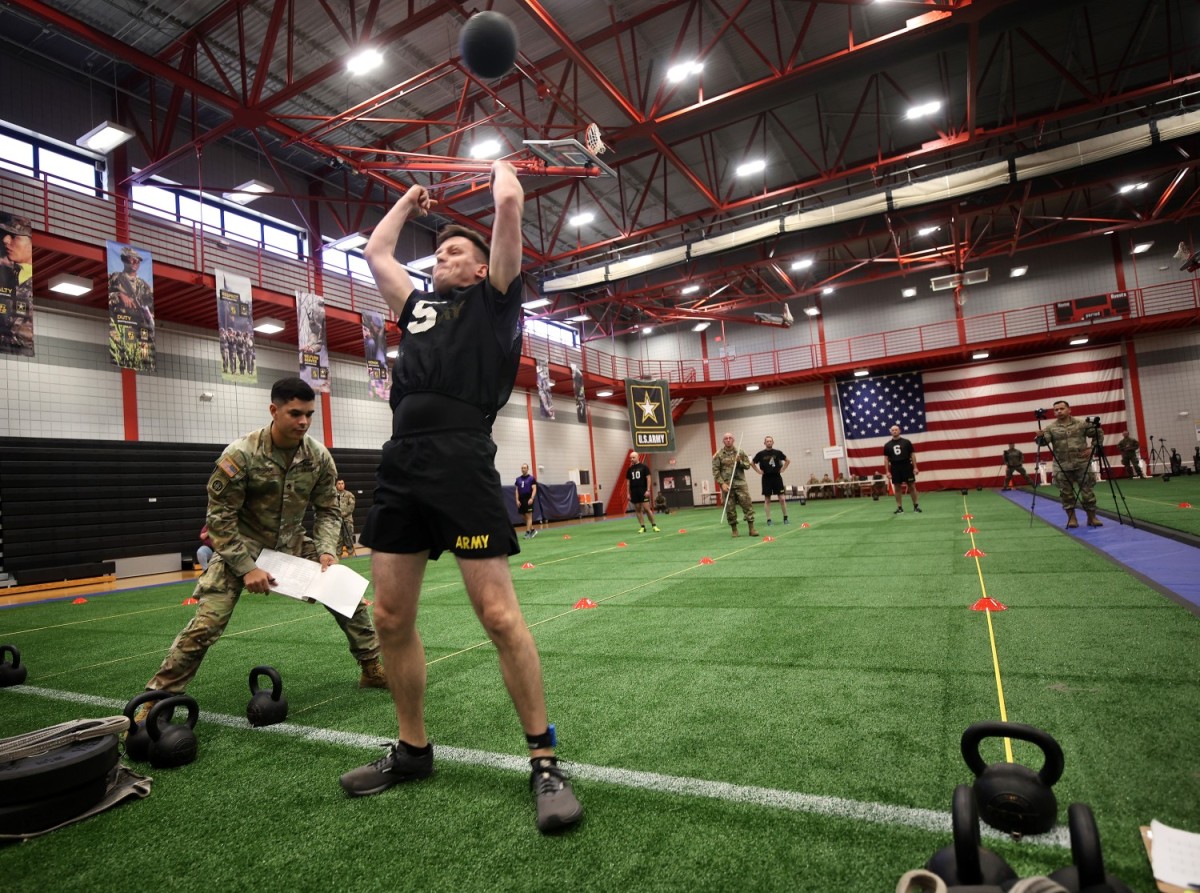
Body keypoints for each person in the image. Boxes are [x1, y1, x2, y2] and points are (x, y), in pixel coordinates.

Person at [341, 161, 582, 833]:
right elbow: (375, 251)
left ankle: (543, 759)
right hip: (402, 461)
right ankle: (414, 749)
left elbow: (509, 202)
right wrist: (405, 199)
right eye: (438, 251)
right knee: (389, 614)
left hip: (462, 459)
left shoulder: (495, 299)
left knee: (500, 616)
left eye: (456, 252)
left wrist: (498, 165)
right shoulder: (416, 308)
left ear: (480, 270)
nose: (442, 257)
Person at [135, 377, 385, 710]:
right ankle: (157, 700)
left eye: (309, 414)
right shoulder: (241, 454)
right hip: (243, 545)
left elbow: (328, 510)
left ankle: (372, 668)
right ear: (274, 410)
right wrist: (246, 568)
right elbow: (219, 520)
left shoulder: (318, 456)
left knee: (346, 595)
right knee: (206, 625)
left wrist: (326, 550)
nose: (304, 422)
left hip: (292, 540)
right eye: (295, 413)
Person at [1034, 400, 1102, 528]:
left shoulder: (1082, 423)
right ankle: (1072, 518)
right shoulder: (1051, 428)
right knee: (1066, 494)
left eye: (1062, 408)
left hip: (1082, 463)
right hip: (1062, 465)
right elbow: (1043, 442)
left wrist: (1093, 448)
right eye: (1056, 410)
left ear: (1069, 409)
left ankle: (1092, 517)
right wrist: (1039, 437)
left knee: (1087, 491)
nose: (1059, 411)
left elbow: (1098, 433)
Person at [0, 212, 34, 356]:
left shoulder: (31, 282)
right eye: (6, 234)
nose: (6, 240)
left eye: (14, 235)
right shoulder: (5, 273)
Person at [712, 432, 757, 537]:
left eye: (730, 438)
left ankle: (752, 529)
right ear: (723, 441)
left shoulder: (740, 452)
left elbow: (747, 466)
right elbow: (715, 471)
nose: (728, 440)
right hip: (727, 485)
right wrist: (722, 484)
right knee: (730, 508)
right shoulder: (718, 454)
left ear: (733, 440)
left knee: (747, 505)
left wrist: (740, 462)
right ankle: (734, 530)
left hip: (740, 484)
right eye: (726, 438)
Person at [108, 246, 154, 329]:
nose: (136, 262)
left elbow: (150, 306)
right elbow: (108, 295)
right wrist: (119, 295)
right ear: (124, 260)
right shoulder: (115, 278)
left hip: (139, 328)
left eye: (138, 260)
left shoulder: (144, 285)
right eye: (132, 259)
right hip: (120, 324)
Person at [883, 425, 921, 513]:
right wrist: (887, 471)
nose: (894, 431)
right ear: (890, 432)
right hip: (895, 467)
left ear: (899, 431)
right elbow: (886, 459)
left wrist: (915, 467)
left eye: (896, 430)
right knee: (897, 487)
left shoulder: (906, 442)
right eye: (893, 430)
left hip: (906, 465)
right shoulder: (887, 445)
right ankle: (899, 508)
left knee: (911, 485)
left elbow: (912, 455)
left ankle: (916, 506)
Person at [752, 436, 790, 524]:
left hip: (777, 477)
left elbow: (787, 460)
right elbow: (752, 463)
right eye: (767, 441)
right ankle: (769, 519)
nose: (769, 442)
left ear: (773, 442)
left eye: (770, 441)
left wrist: (783, 469)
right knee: (767, 500)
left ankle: (785, 518)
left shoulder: (778, 452)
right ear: (764, 443)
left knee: (782, 499)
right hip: (766, 478)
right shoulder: (760, 454)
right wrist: (758, 471)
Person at [626, 450, 660, 533]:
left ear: (638, 457)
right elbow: (628, 482)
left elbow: (648, 478)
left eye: (633, 457)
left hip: (643, 491)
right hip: (634, 491)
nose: (632, 459)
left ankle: (654, 525)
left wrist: (648, 490)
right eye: (631, 458)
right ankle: (642, 526)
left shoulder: (644, 467)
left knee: (647, 509)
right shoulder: (630, 469)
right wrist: (628, 493)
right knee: (637, 509)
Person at [515, 463, 539, 539]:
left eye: (525, 468)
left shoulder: (531, 478)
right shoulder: (518, 479)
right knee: (523, 516)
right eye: (522, 468)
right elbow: (516, 490)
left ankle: (528, 532)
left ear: (528, 469)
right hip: (521, 499)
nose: (523, 469)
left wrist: (532, 498)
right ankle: (532, 530)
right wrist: (517, 500)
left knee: (529, 516)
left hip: (528, 498)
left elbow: (534, 489)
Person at [335, 478, 357, 557]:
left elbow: (351, 506)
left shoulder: (349, 494)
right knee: (338, 538)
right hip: (336, 520)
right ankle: (338, 554)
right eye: (339, 483)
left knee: (348, 536)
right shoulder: (332, 494)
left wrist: (344, 514)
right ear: (336, 485)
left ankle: (350, 553)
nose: (341, 485)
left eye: (342, 483)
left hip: (347, 519)